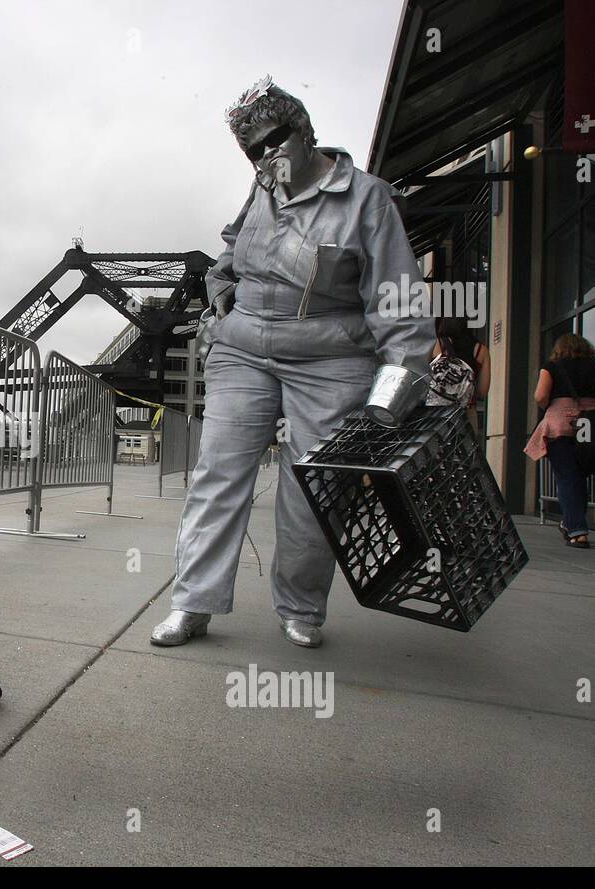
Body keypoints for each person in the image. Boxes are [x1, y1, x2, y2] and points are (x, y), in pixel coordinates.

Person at [152, 76, 433, 650]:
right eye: (252, 150)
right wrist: (220, 290)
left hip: (331, 358)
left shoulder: (367, 198)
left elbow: (398, 298)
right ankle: (192, 603)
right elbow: (233, 249)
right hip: (243, 348)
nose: (266, 155)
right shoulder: (261, 189)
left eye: (275, 139)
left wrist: (395, 393)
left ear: (305, 131)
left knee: (313, 487)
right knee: (217, 475)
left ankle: (301, 607)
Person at [524, 333, 595, 549]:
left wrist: (553, 408)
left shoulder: (552, 366)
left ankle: (577, 530)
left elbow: (540, 396)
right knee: (579, 476)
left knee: (567, 476)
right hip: (590, 425)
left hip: (559, 425)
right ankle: (571, 524)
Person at [424, 315, 490, 431]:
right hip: (467, 413)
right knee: (466, 447)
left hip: (437, 413)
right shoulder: (481, 350)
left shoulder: (437, 344)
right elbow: (482, 391)